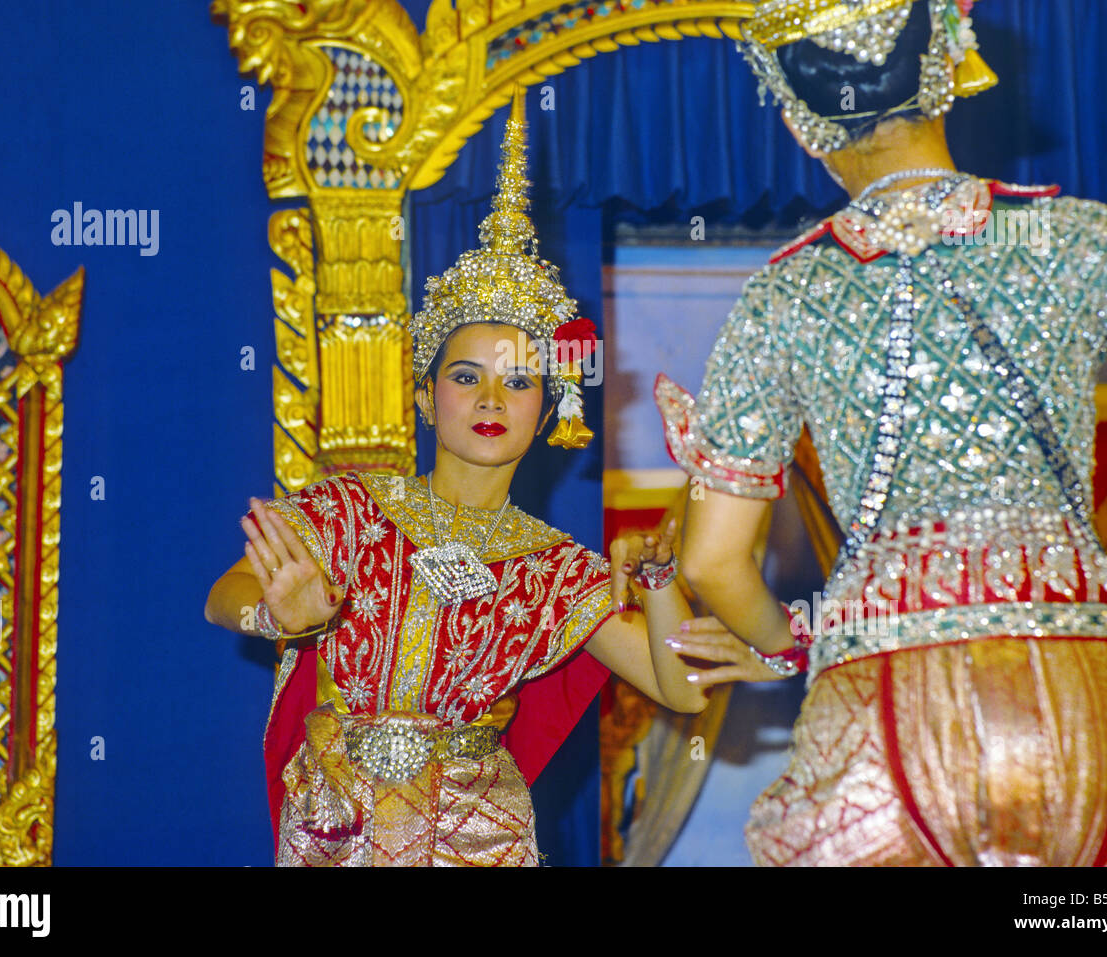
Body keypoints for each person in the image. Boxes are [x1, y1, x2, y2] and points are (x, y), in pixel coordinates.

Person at [656, 0, 1107, 866]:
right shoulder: (1073, 239)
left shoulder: (784, 296)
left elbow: (710, 563)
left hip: (880, 703)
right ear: (951, 45)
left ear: (789, 109)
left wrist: (787, 648)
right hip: (1094, 681)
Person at [207, 90, 759, 866]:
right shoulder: (350, 509)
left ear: (549, 409)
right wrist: (279, 617)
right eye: (468, 376)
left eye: (521, 381)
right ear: (428, 398)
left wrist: (660, 569)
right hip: (337, 822)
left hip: (478, 830)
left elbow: (678, 687)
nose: (493, 398)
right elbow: (220, 595)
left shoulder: (554, 570)